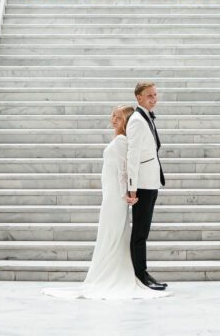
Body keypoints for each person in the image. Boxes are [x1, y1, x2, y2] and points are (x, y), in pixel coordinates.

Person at [44, 104, 170, 300]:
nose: (113, 119)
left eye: (118, 118)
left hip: (115, 196)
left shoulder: (121, 140)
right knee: (109, 232)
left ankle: (114, 273)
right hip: (110, 193)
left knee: (112, 232)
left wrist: (127, 193)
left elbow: (122, 171)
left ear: (126, 122)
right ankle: (108, 270)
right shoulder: (118, 139)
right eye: (113, 116)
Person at [125, 81, 167, 291]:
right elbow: (132, 156)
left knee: (144, 231)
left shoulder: (146, 118)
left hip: (151, 182)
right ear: (139, 98)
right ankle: (140, 275)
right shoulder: (136, 120)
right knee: (140, 232)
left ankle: (143, 272)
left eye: (155, 95)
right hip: (141, 184)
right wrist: (132, 187)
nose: (154, 98)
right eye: (149, 95)